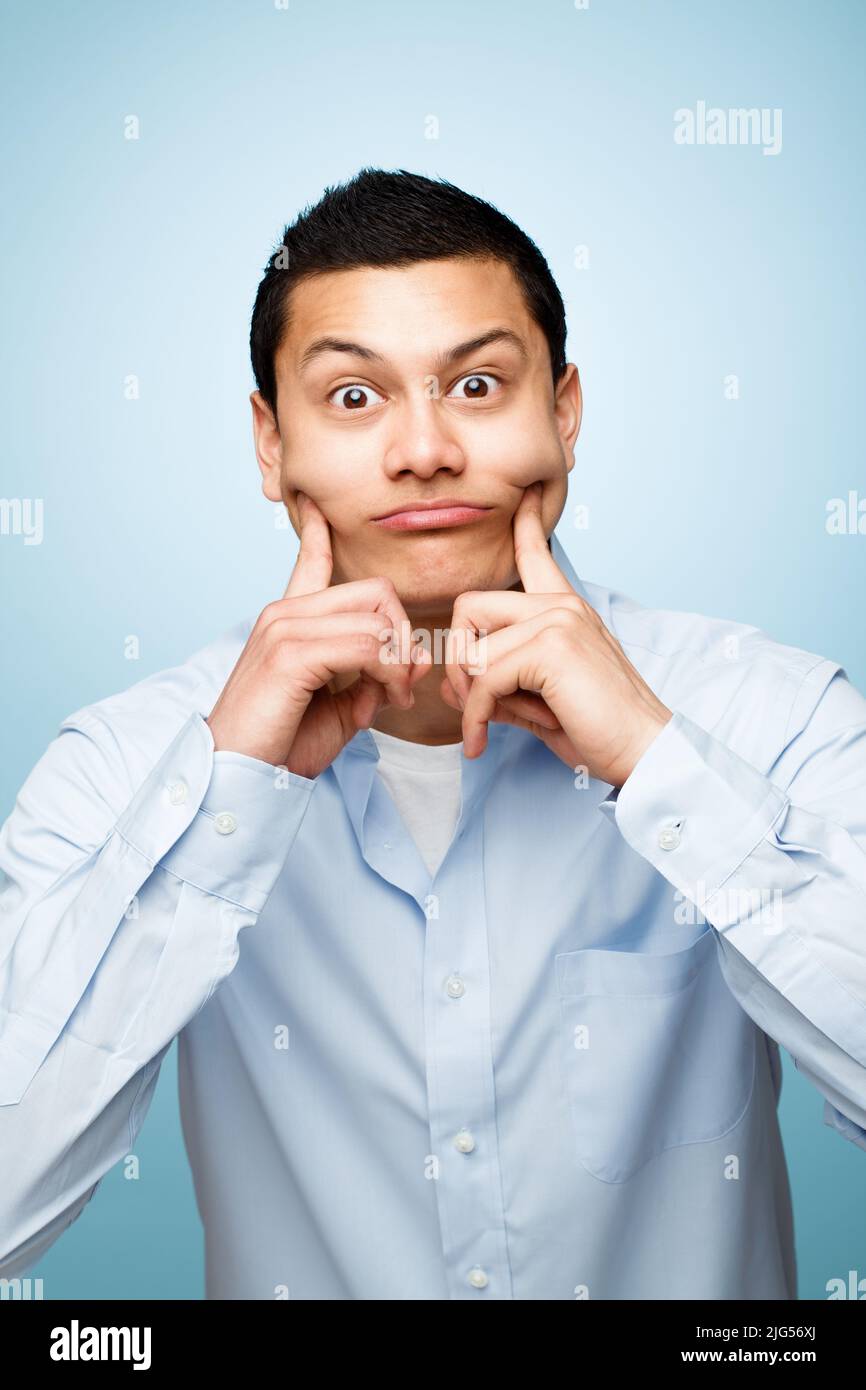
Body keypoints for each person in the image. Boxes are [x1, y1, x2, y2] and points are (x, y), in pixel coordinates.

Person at [1, 168, 864, 1301]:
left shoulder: (771, 712)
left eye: (476, 384)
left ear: (563, 412)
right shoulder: (124, 763)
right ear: (270, 444)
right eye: (354, 396)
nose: (423, 450)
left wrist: (660, 766)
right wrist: (226, 797)